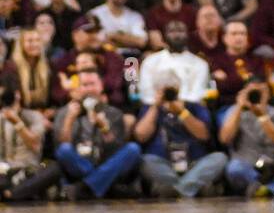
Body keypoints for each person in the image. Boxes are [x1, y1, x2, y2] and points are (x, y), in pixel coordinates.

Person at [53, 68, 142, 199]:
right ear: (78, 89)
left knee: (133, 149)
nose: (89, 89)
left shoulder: (113, 113)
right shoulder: (66, 112)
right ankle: (102, 185)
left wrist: (104, 128)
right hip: (81, 163)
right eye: (84, 85)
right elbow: (61, 145)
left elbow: (116, 149)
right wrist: (70, 119)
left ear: (101, 86)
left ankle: (86, 187)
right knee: (64, 150)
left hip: (106, 162)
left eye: (92, 84)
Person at [134, 78, 226, 198]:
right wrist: (156, 106)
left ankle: (177, 190)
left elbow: (203, 135)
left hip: (194, 162)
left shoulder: (194, 106)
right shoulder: (150, 108)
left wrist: (182, 112)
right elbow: (141, 136)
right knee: (144, 160)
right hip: (163, 163)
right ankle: (192, 188)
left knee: (220, 158)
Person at [218, 77, 274, 197]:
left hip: (273, 167)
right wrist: (239, 106)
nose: (255, 95)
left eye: (260, 92)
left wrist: (262, 115)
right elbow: (225, 138)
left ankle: (264, 189)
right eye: (252, 92)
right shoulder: (233, 111)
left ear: (268, 94)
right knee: (234, 168)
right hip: (246, 167)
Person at [0, 83, 61, 203]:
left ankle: (10, 194)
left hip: (28, 170)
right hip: (4, 171)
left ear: (18, 95)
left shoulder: (34, 116)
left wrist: (18, 123)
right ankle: (19, 193)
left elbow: (34, 145)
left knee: (54, 169)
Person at [138, 19, 211, 104]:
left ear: (188, 35)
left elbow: (198, 93)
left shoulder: (200, 64)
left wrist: (178, 103)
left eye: (181, 31)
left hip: (189, 107)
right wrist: (161, 101)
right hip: (156, 106)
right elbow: (146, 93)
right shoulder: (150, 61)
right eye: (172, 31)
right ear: (164, 36)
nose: (177, 35)